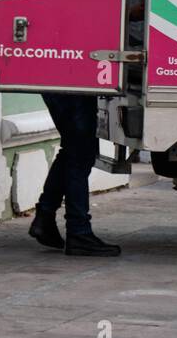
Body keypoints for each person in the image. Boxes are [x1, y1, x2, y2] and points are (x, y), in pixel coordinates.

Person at [29, 93, 121, 256]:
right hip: (72, 83)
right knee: (80, 153)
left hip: (65, 83)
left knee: (73, 149)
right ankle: (78, 231)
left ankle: (45, 217)